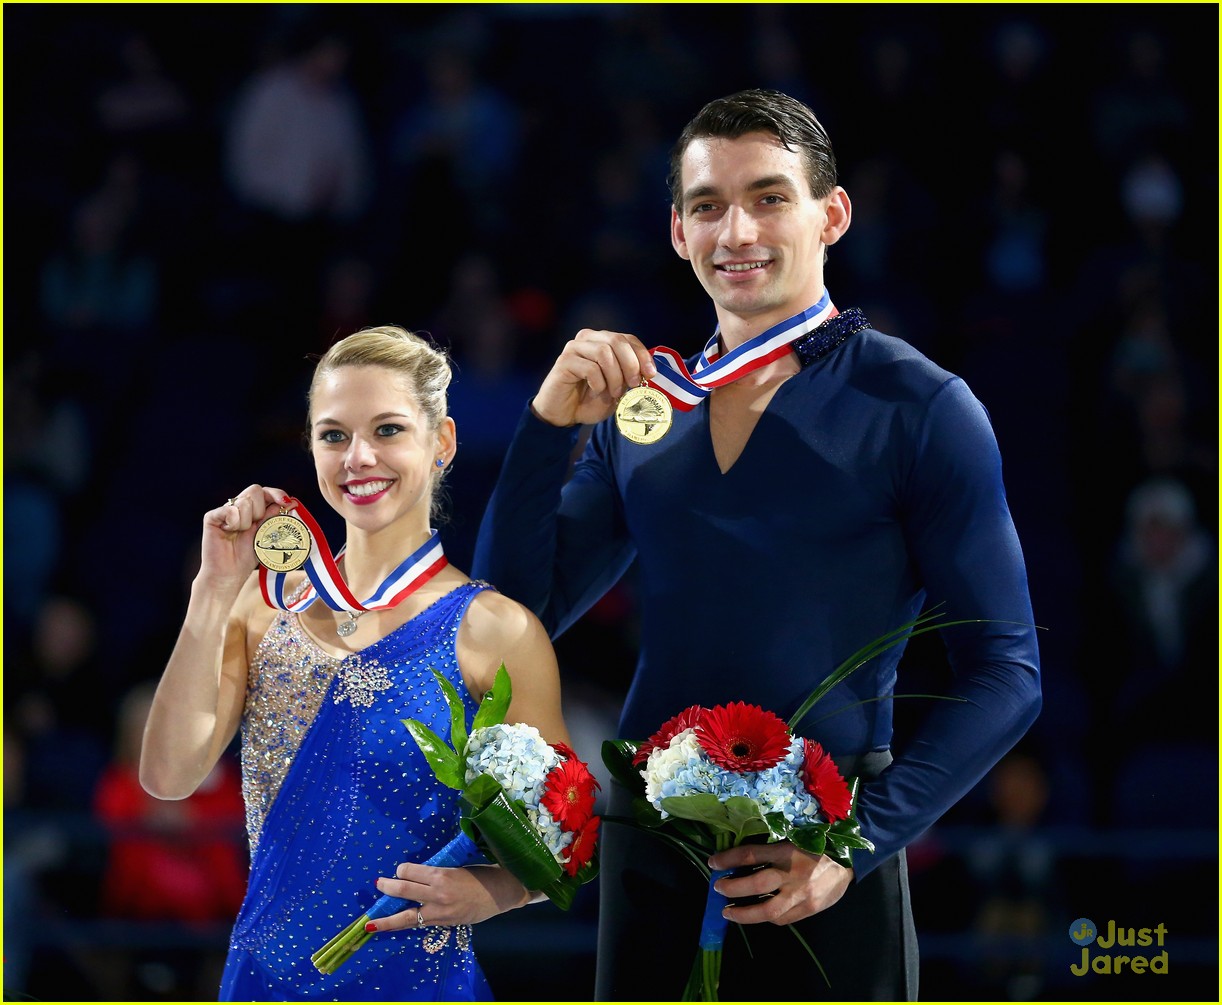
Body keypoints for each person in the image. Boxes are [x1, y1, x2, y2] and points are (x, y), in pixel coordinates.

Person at [472, 88, 1042, 1000]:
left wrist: (853, 845)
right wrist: (546, 432)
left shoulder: (921, 406)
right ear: (676, 231)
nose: (736, 230)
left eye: (770, 197)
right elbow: (508, 626)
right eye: (708, 205)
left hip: (825, 850)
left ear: (833, 214)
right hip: (647, 845)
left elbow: (1009, 671)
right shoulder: (642, 411)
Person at [140, 325, 569, 1001]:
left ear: (443, 442)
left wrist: (493, 890)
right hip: (265, 981)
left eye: (389, 429)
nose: (358, 457)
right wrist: (213, 587)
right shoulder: (261, 605)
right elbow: (167, 775)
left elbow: (564, 831)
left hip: (417, 981)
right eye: (334, 435)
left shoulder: (496, 630)